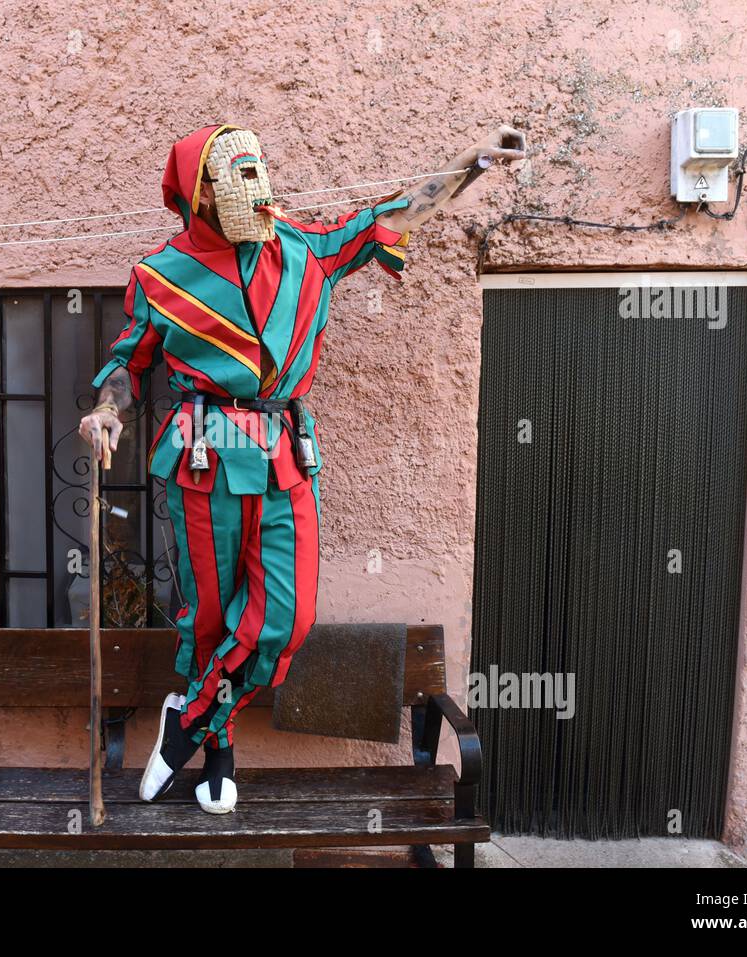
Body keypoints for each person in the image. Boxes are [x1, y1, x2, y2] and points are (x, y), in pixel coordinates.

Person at [79, 123, 526, 813]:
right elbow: (127, 363)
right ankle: (220, 754)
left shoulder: (306, 250)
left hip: (285, 455)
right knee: (209, 621)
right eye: (238, 175)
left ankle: (188, 720)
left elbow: (391, 214)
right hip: (203, 457)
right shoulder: (159, 276)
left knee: (283, 619)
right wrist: (108, 411)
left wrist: (471, 165)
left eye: (260, 169)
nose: (258, 187)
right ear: (201, 195)